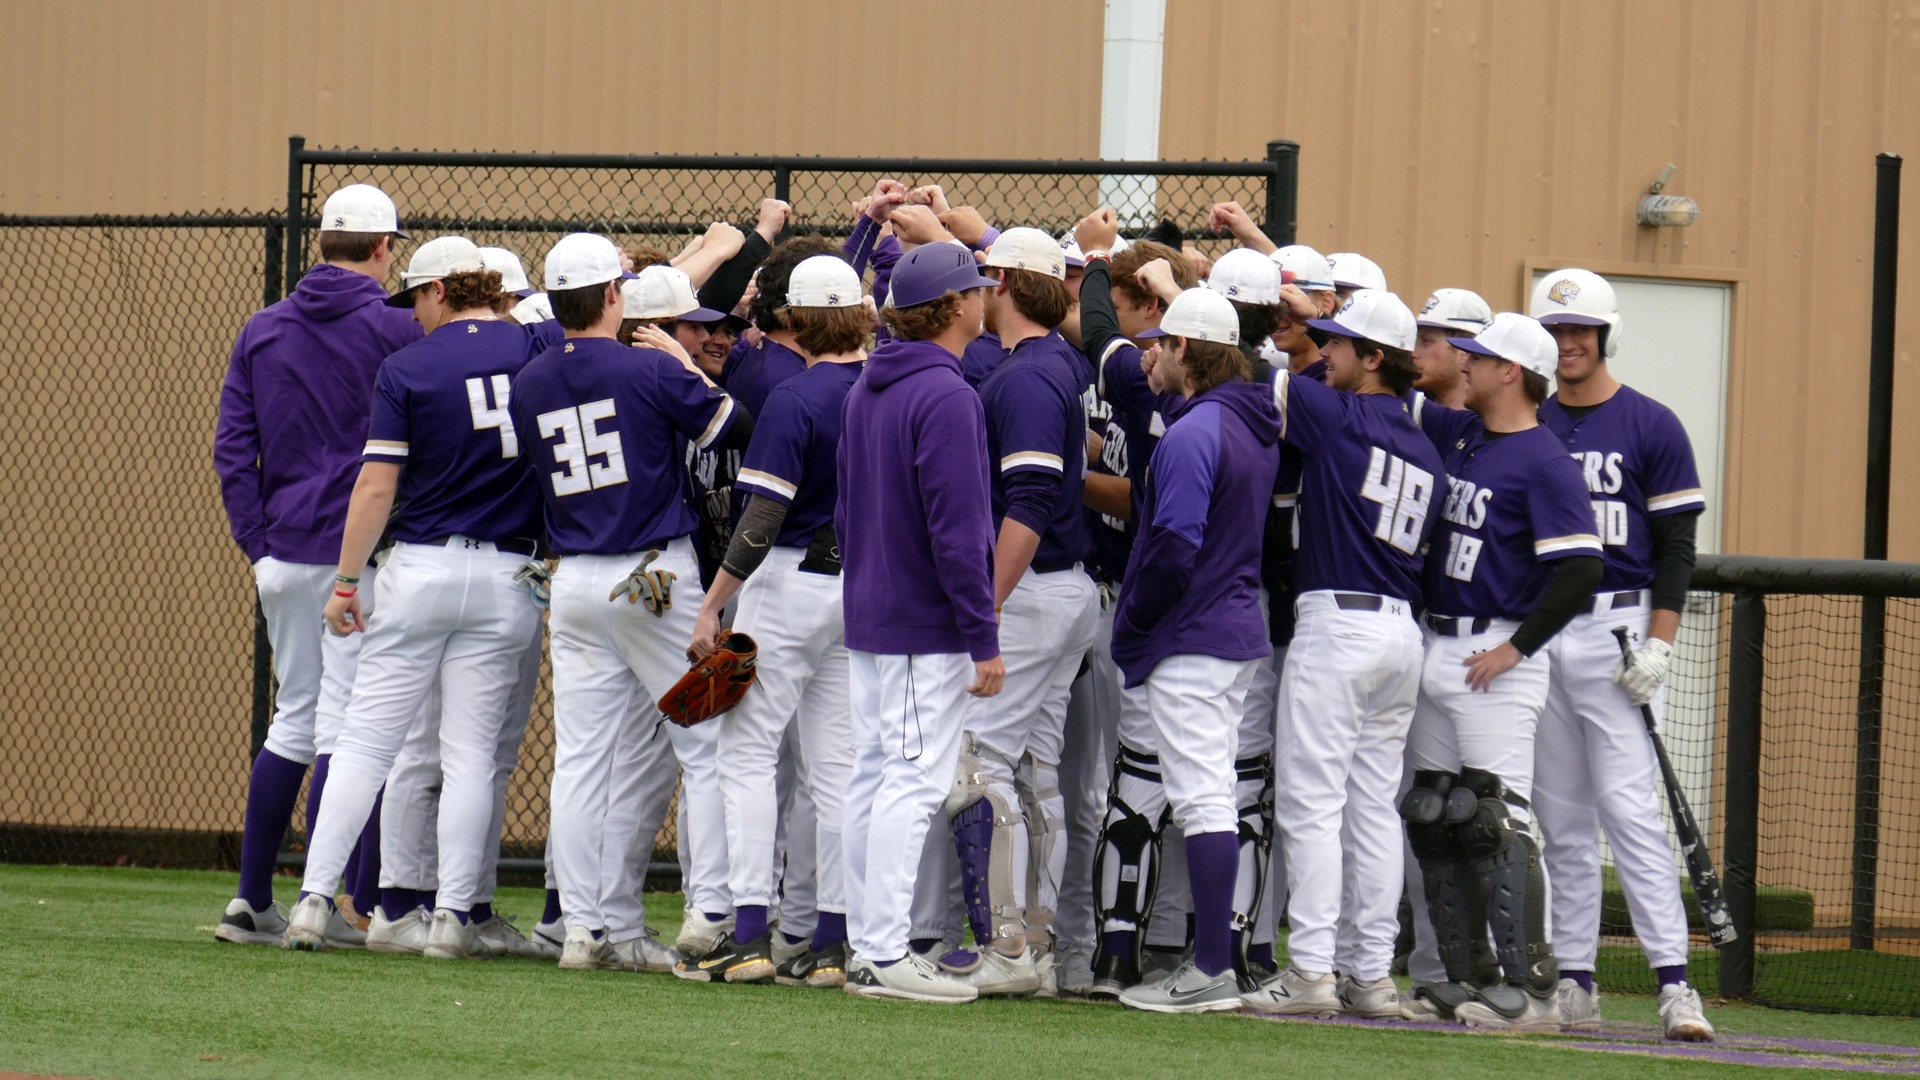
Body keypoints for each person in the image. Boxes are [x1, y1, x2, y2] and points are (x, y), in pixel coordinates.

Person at [284, 236, 545, 959]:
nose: (411, 314)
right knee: (469, 757)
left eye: (415, 300)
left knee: (369, 741)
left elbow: (376, 485)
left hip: (420, 567)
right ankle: (455, 917)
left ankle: (313, 901)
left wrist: (344, 579)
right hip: (507, 575)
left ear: (438, 290)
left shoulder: (406, 366)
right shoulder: (537, 348)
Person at [508, 233, 755, 971]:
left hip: (575, 581)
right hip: (654, 577)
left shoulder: (530, 378)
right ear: (615, 294)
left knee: (581, 762)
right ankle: (709, 911)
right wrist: (681, 366)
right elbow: (734, 428)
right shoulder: (648, 367)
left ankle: (586, 929)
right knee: (705, 742)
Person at [212, 183, 419, 949]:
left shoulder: (263, 328)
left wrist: (258, 543)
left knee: (296, 717)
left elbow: (233, 446)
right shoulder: (396, 328)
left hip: (284, 550)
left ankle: (250, 899)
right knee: (354, 727)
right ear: (382, 247)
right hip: (360, 558)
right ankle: (326, 899)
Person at [1241, 290, 1443, 1018]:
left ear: (1375, 358)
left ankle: (1314, 974)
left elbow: (1254, 368)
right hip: (1399, 633)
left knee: (1313, 806)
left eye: (1340, 344)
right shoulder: (1425, 442)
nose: (1324, 353)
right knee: (1371, 812)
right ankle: (1371, 976)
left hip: (1340, 626)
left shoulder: (1339, 416)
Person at [1400, 312, 1604, 1030]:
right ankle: (1466, 980)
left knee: (1498, 824)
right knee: (1435, 815)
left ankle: (1536, 994)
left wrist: (1519, 647)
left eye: (1480, 359)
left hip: (1495, 656)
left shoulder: (1545, 460)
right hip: (1439, 643)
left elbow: (1582, 567)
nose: (1467, 365)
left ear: (1510, 372)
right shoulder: (1471, 439)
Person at [1529, 268, 1715, 1042]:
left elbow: (1676, 548)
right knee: (1559, 819)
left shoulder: (1651, 423)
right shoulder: (1528, 421)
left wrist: (1662, 645)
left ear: (1605, 337)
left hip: (1619, 628)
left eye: (1582, 332)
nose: (1569, 344)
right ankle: (1576, 979)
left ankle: (1676, 985)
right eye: (1557, 331)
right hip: (1540, 630)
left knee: (1633, 814)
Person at [678, 255, 869, 988]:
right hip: (861, 588)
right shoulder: (886, 388)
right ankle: (830, 939)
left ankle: (751, 932)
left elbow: (761, 517)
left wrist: (711, 601)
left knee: (747, 753)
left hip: (787, 584)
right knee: (839, 769)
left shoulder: (796, 395)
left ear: (794, 317)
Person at [838, 244, 1005, 1004]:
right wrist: (983, 635)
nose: (986, 295)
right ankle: (879, 951)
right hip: (919, 622)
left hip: (875, 610)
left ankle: (866, 944)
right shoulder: (946, 394)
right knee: (908, 781)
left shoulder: (870, 386)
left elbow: (848, 514)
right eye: (976, 287)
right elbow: (961, 531)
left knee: (875, 778)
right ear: (953, 304)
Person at [1109, 288, 1280, 1014]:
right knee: (1213, 794)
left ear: (1185, 349)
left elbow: (1176, 545)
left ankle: (1210, 967)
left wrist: (1139, 620)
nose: (1148, 355)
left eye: (1158, 344)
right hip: (1233, 626)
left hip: (1193, 633)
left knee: (1204, 797)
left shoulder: (1194, 431)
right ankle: (1215, 963)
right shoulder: (1249, 421)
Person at [939, 228, 1100, 998]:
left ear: (1002, 282)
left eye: (982, 276)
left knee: (982, 767)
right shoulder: (1046, 364)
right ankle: (1033, 943)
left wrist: (985, 606)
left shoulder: (1031, 375)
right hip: (1060, 589)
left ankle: (1009, 945)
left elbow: (1030, 502)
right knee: (1035, 773)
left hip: (1031, 590)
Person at [1411, 289, 1492, 409]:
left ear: (1465, 351)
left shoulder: (1493, 424)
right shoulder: (1409, 411)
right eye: (1414, 341)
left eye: (1426, 342)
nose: (1413, 353)